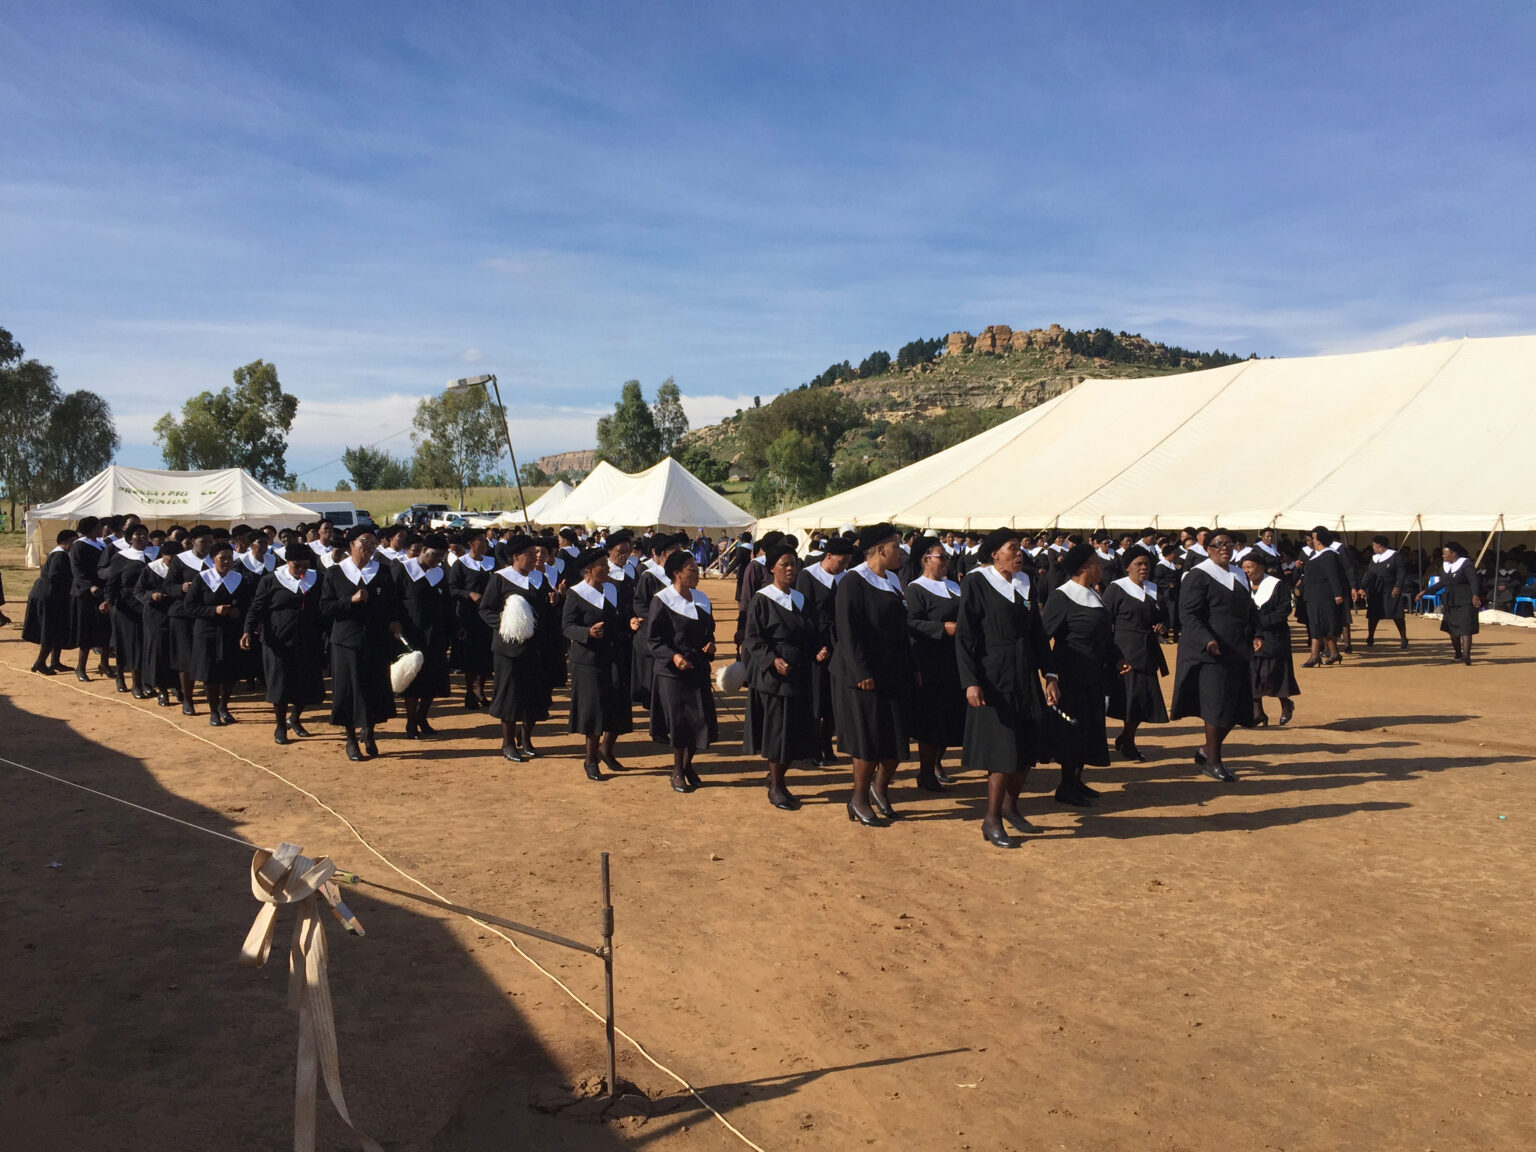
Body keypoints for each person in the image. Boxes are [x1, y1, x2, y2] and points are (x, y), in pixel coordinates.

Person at [956, 528, 1058, 849]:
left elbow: (1037, 633)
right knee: (1003, 749)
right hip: (993, 675)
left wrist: (1050, 673)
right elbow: (965, 636)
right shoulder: (977, 582)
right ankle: (991, 819)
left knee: (1028, 742)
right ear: (994, 554)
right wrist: (970, 681)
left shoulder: (1025, 583)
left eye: (1020, 548)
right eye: (1012, 548)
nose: (1019, 554)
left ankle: (1011, 808)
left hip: (1024, 671)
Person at [830, 524, 913, 826]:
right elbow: (847, 632)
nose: (900, 550)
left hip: (893, 671)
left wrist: (911, 665)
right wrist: (861, 671)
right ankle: (859, 798)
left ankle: (880, 789)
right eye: (896, 544)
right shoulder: (853, 582)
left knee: (894, 739)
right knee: (867, 741)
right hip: (862, 676)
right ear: (880, 549)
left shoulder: (892, 579)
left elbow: (901, 628)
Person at [1169, 532, 1262, 782]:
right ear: (1206, 548)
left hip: (1238, 648)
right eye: (1219, 545)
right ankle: (1213, 762)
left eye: (1229, 544)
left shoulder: (1238, 573)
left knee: (1236, 708)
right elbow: (1188, 614)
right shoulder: (1199, 575)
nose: (1225, 549)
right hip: (1213, 651)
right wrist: (1206, 640)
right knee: (1216, 708)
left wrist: (1257, 632)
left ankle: (1206, 750)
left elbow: (1249, 609)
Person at [742, 544, 821, 810]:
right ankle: (776, 786)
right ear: (772, 568)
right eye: (784, 564)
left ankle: (777, 777)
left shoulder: (800, 599)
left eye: (794, 564)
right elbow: (752, 638)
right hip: (775, 678)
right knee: (778, 733)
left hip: (800, 673)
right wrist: (772, 660)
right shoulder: (762, 599)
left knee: (796, 732)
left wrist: (817, 650)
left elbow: (810, 633)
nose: (790, 569)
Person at [1042, 543, 1120, 806]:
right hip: (1071, 677)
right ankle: (1065, 786)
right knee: (1071, 732)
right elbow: (1043, 638)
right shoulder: (1062, 597)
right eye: (1097, 562)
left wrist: (1116, 657)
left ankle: (1076, 780)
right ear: (1084, 567)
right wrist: (1050, 675)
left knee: (1088, 729)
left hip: (1094, 676)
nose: (1102, 566)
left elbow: (1104, 636)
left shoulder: (1094, 594)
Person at [320, 526, 402, 761]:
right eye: (364, 542)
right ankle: (350, 738)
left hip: (376, 640)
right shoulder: (335, 573)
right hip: (346, 642)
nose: (368, 547)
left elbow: (392, 604)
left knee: (373, 689)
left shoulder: (384, 571)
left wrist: (395, 621)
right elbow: (325, 607)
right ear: (351, 545)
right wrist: (350, 600)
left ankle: (369, 732)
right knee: (349, 691)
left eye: (373, 543)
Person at [647, 550, 718, 793]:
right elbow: (654, 639)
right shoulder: (662, 600)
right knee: (680, 724)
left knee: (700, 721)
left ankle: (688, 765)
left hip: (697, 667)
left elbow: (709, 632)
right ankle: (677, 771)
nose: (696, 572)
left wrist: (710, 646)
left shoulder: (702, 598)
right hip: (672, 673)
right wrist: (674, 656)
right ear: (677, 573)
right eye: (691, 568)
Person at [479, 533, 553, 761]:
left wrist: (553, 600)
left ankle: (526, 738)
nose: (535, 559)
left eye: (537, 554)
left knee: (533, 695)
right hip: (509, 650)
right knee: (511, 696)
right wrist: (508, 625)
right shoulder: (500, 579)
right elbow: (486, 609)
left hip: (536, 648)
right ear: (515, 557)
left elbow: (544, 611)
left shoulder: (539, 578)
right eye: (529, 555)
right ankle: (508, 743)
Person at [562, 546, 632, 778]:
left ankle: (607, 750)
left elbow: (621, 619)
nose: (607, 568)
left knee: (617, 706)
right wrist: (587, 632)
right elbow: (567, 626)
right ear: (589, 569)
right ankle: (590, 759)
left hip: (614, 656)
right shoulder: (576, 593)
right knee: (594, 710)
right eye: (603, 564)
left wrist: (631, 623)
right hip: (588, 661)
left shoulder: (613, 589)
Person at [243, 547, 325, 743]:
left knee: (305, 684)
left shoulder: (319, 579)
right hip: (278, 641)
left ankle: (294, 718)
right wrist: (248, 629)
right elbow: (257, 606)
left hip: (308, 640)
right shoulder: (271, 580)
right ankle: (280, 726)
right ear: (287, 562)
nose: (300, 568)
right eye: (296, 564)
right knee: (280, 685)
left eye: (305, 564)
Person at [904, 536, 965, 792]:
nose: (946, 563)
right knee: (931, 720)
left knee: (950, 718)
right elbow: (911, 623)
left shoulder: (954, 586)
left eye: (948, 558)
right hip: (930, 662)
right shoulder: (915, 589)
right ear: (925, 559)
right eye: (942, 557)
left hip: (955, 662)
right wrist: (942, 628)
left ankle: (939, 764)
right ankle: (926, 771)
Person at [1103, 550, 1169, 761]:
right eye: (1139, 564)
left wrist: (1162, 624)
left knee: (1144, 700)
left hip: (1147, 652)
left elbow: (1163, 615)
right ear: (1127, 567)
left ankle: (1126, 737)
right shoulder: (1117, 589)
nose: (1144, 568)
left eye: (1147, 564)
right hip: (1126, 653)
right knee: (1130, 700)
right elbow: (1104, 621)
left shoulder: (1152, 589)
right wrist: (1112, 656)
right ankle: (1128, 742)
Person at [794, 535, 852, 766]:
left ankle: (828, 744)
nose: (843, 566)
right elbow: (804, 614)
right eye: (841, 561)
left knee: (833, 699)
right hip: (816, 643)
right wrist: (817, 646)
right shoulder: (808, 576)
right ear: (828, 556)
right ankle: (814, 746)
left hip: (839, 643)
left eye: (847, 561)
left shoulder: (846, 578)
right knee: (817, 698)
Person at [185, 541, 255, 727]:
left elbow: (248, 605)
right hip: (207, 633)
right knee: (212, 675)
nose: (226, 562)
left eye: (229, 558)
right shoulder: (202, 578)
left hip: (231, 632)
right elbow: (190, 607)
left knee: (230, 673)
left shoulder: (239, 579)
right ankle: (213, 711)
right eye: (222, 558)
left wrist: (238, 612)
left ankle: (224, 705)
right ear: (213, 559)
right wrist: (213, 610)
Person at [396, 533, 454, 738]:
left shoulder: (439, 574)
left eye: (442, 556)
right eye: (435, 555)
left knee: (432, 680)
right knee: (414, 681)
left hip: (436, 635)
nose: (438, 560)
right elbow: (392, 601)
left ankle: (422, 717)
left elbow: (447, 605)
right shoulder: (403, 571)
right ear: (423, 551)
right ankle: (411, 721)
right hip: (411, 635)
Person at [1241, 549, 1299, 726]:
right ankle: (1258, 713)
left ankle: (1286, 703)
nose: (1246, 571)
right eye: (1243, 568)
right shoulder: (1242, 585)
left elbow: (1285, 609)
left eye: (1250, 567)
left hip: (1274, 634)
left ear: (1260, 567)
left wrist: (1263, 622)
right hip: (1250, 636)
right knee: (1252, 674)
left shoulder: (1276, 585)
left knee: (1273, 673)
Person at [103, 523, 153, 697]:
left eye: (145, 534)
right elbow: (112, 582)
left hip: (146, 606)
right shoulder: (121, 557)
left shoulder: (153, 556)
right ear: (130, 538)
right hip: (126, 607)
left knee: (145, 644)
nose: (141, 537)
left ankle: (145, 681)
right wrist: (108, 600)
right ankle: (129, 681)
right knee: (128, 645)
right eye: (137, 534)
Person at [449, 531, 496, 709]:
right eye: (480, 541)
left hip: (487, 614)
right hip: (468, 615)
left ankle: (480, 689)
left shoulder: (491, 563)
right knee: (470, 654)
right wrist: (469, 593)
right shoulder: (460, 565)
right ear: (471, 543)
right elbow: (452, 589)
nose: (484, 543)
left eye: (485, 540)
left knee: (486, 653)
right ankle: (469, 692)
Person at [23, 529, 78, 675]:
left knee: (58, 628)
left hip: (52, 595)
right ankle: (40, 662)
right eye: (73, 541)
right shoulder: (60, 555)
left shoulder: (61, 554)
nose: (75, 545)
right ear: (65, 542)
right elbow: (55, 576)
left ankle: (55, 661)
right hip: (49, 595)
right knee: (50, 629)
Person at [67, 516, 111, 681]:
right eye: (99, 526)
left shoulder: (102, 544)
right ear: (92, 529)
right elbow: (77, 570)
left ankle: (104, 664)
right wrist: (90, 586)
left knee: (106, 630)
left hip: (103, 593)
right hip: (86, 594)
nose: (102, 528)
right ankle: (81, 667)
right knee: (86, 631)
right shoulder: (79, 545)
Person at [1300, 527, 1351, 667]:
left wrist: (1338, 594)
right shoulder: (1316, 555)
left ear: (1321, 540)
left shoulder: (1329, 555)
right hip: (1313, 596)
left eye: (1315, 538)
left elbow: (1333, 575)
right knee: (1318, 626)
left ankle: (1314, 656)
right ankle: (1334, 653)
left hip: (1324, 595)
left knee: (1320, 626)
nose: (1313, 541)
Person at [1424, 542, 1482, 664]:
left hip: (1466, 599)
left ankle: (1467, 655)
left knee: (1465, 628)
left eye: (1445, 553)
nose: (1443, 555)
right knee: (1452, 629)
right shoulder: (1445, 566)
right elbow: (1442, 583)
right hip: (1450, 601)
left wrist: (1475, 595)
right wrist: (1425, 591)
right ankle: (1458, 654)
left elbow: (1473, 580)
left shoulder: (1466, 564)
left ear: (1453, 553)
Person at [1361, 535, 1409, 649]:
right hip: (1376, 590)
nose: (1372, 547)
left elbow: (1401, 572)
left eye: (1373, 544)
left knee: (1397, 615)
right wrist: (1362, 586)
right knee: (1373, 615)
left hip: (1391, 589)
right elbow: (1369, 575)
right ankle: (1370, 636)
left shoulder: (1394, 556)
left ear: (1379, 545)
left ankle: (1403, 637)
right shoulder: (1374, 558)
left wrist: (1397, 586)